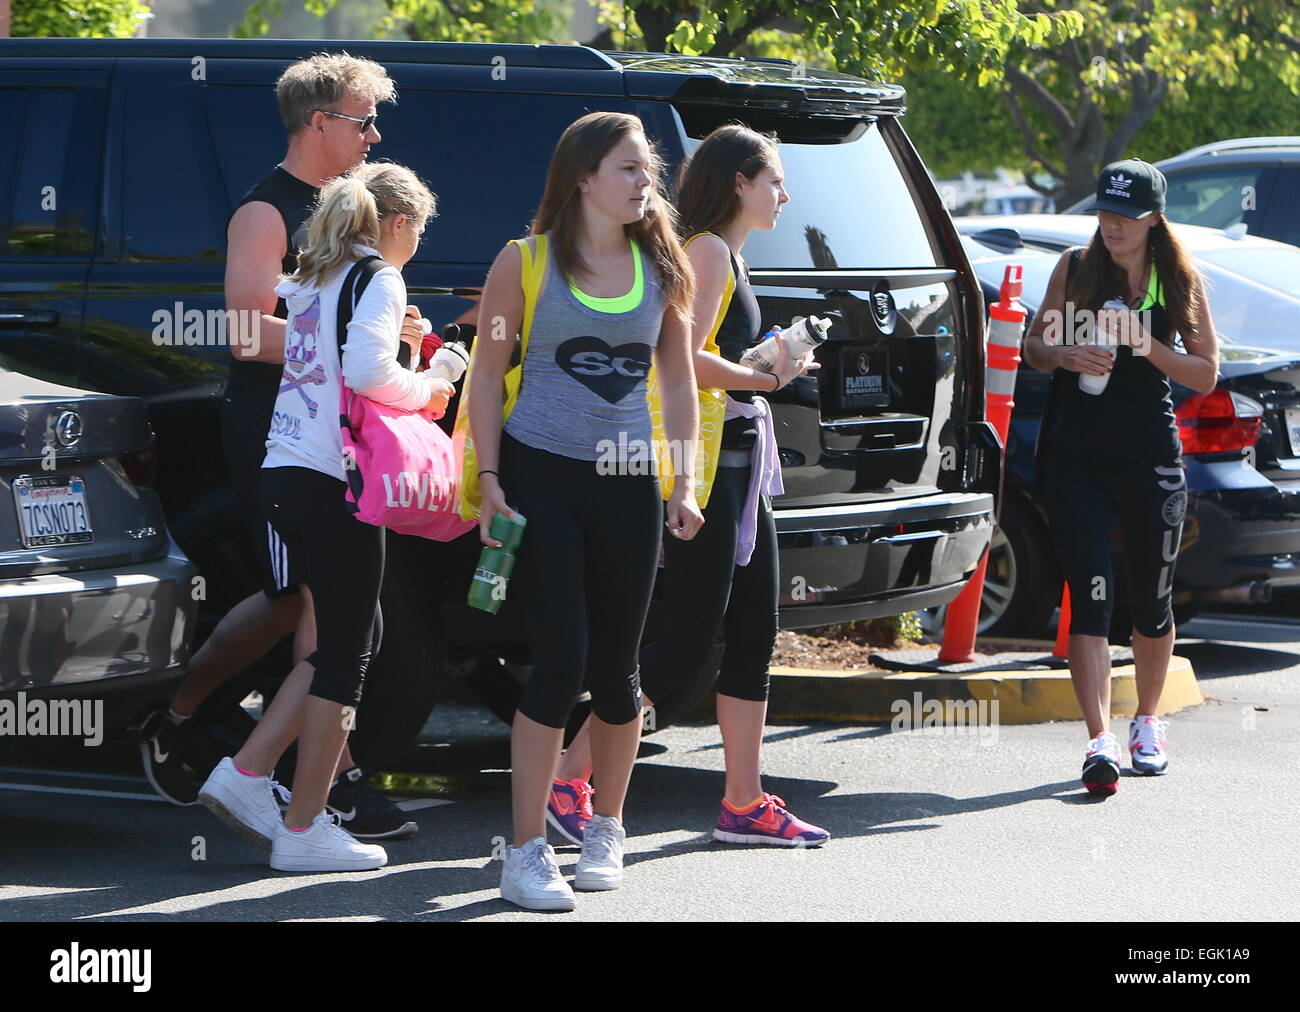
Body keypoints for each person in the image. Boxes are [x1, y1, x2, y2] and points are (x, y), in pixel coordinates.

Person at [140, 54, 420, 838]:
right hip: (277, 428)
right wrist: (346, 334)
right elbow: (241, 331)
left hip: (334, 427)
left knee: (290, 598)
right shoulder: (268, 211)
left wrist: (388, 334)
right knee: (315, 602)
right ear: (319, 122)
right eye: (364, 119)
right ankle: (318, 778)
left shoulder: (354, 207)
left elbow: (346, 310)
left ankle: (183, 717)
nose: (375, 133)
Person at [549, 124, 829, 847]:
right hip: (707, 471)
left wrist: (766, 363)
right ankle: (567, 777)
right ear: (739, 181)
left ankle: (743, 801)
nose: (783, 195)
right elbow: (683, 360)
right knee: (682, 640)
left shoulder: (728, 254)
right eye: (773, 180)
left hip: (740, 464)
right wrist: (764, 375)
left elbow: (713, 357)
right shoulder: (706, 250)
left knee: (753, 632)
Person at [469, 111, 704, 911]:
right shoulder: (524, 261)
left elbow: (677, 383)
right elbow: (486, 368)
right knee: (559, 660)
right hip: (539, 475)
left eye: (648, 170)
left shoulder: (664, 264)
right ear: (582, 178)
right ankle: (526, 850)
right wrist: (490, 477)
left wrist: (685, 482)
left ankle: (606, 824)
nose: (646, 183)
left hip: (629, 479)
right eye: (629, 169)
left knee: (617, 671)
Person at [198, 161, 452, 871]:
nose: (418, 243)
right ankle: (303, 824)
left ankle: (248, 772)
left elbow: (336, 362)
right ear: (397, 224)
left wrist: (401, 346)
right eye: (420, 229)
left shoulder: (316, 275)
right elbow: (371, 378)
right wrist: (431, 383)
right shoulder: (379, 277)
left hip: (285, 468)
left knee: (349, 635)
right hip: (332, 476)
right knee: (345, 652)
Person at [1023, 159, 1218, 794]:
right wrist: (1064, 353)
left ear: (1154, 219)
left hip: (1149, 454)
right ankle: (1098, 738)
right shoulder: (1076, 271)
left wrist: (1145, 344)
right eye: (1105, 212)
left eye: (1126, 217)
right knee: (1090, 594)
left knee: (1151, 597)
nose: (1112, 226)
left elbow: (1205, 373)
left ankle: (1149, 722)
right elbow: (1034, 346)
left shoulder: (1177, 280)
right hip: (1076, 455)